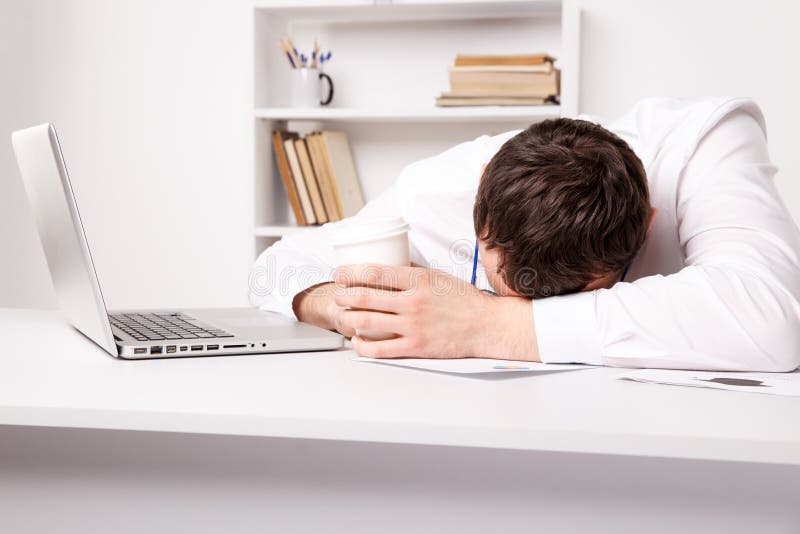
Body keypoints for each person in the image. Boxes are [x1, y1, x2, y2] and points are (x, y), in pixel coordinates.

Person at [249, 97, 800, 372]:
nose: (524, 301)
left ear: (648, 225)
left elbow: (772, 320)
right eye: (502, 281)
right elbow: (274, 267)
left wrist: (487, 324)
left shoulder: (703, 145)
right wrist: (343, 306)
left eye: (569, 294)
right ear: (478, 200)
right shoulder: (436, 189)